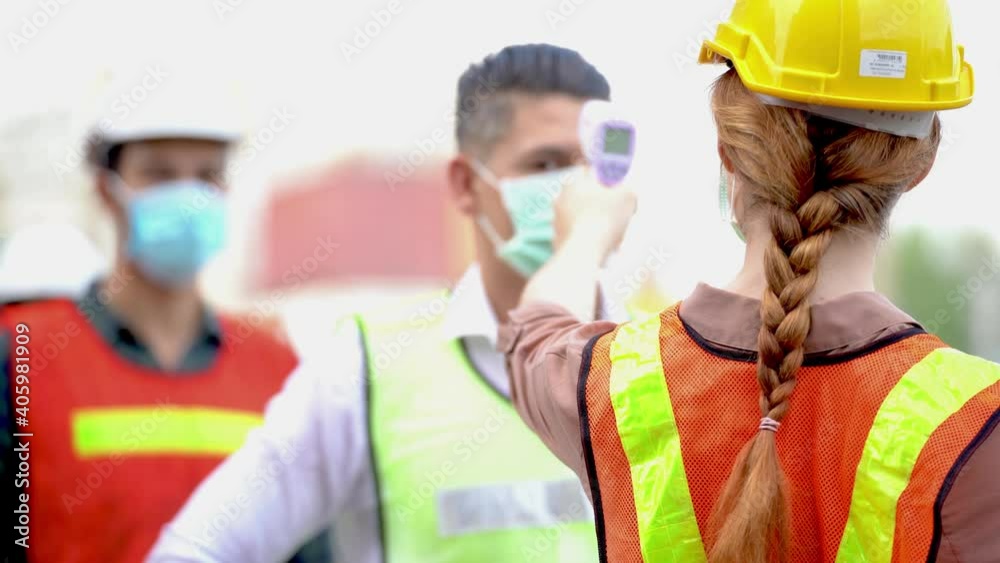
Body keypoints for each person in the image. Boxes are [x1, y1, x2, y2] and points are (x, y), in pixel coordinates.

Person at [499, 2, 1000, 563]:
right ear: (920, 163)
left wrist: (586, 235)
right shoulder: (978, 421)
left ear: (729, 151)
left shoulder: (610, 386)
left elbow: (532, 335)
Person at [148, 44, 624, 563]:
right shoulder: (367, 368)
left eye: (591, 167)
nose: (579, 194)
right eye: (546, 164)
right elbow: (197, 547)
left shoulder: (655, 360)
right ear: (466, 185)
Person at [0, 79, 323, 563]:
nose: (188, 196)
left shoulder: (276, 370)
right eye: (160, 174)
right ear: (105, 190)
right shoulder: (23, 357)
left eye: (206, 175)